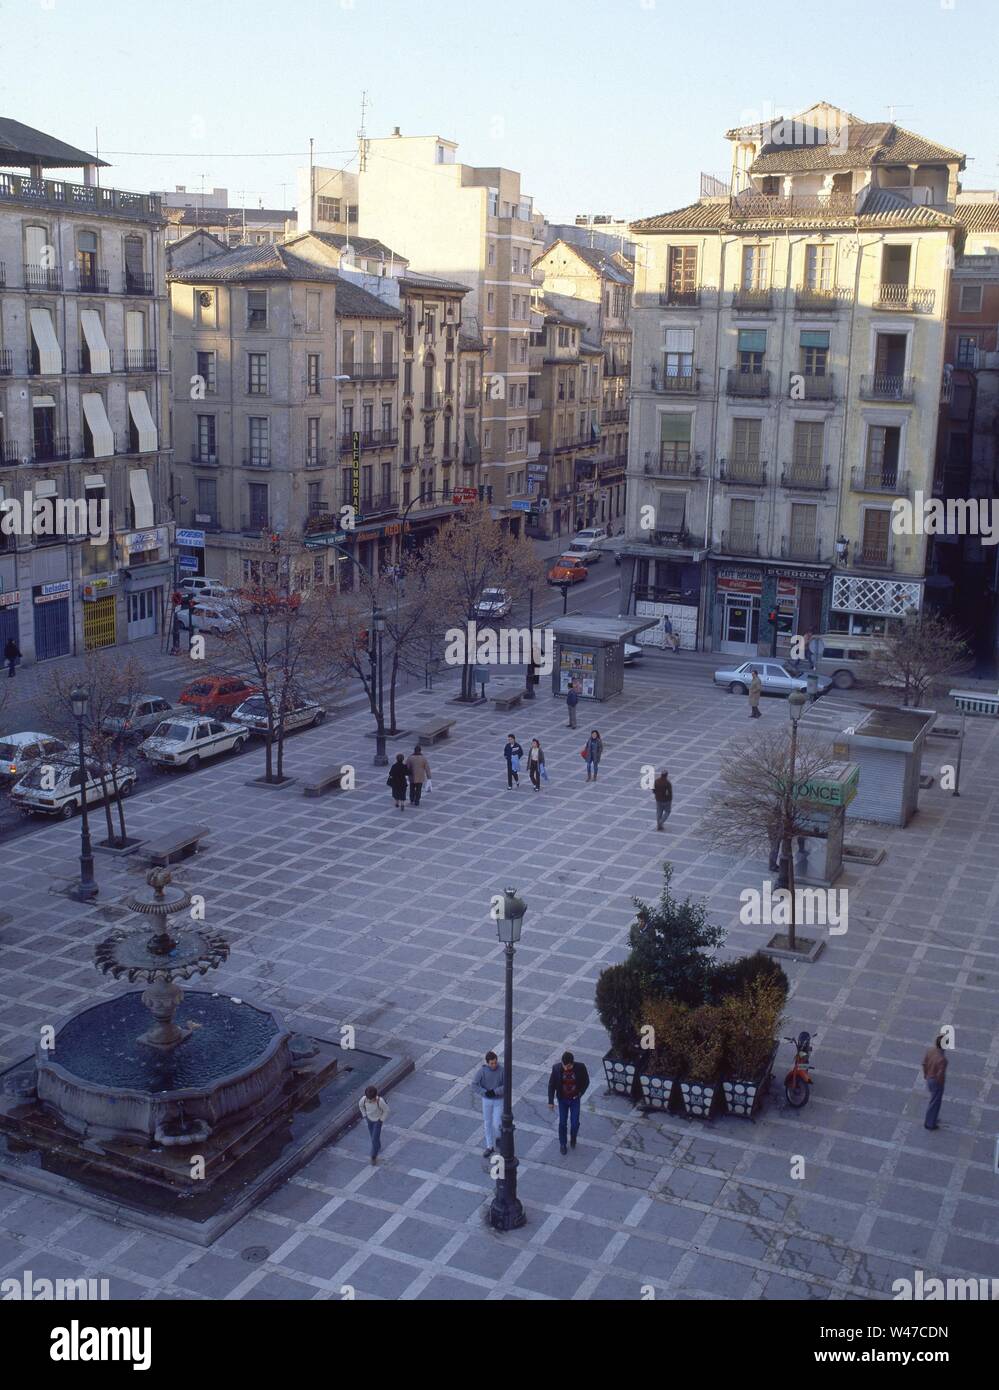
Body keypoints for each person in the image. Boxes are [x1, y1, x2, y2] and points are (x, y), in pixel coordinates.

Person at [548, 1051, 590, 1154]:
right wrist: (550, 1101)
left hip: (575, 1099)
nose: (566, 1068)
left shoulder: (580, 1067)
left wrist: (580, 1093)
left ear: (572, 1063)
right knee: (562, 1122)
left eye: (569, 1066)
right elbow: (551, 1085)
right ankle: (563, 1143)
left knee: (575, 1122)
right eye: (564, 1065)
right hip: (562, 1099)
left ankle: (573, 1137)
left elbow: (586, 1081)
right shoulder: (556, 1068)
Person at [472, 1051, 504, 1157]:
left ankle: (499, 1139)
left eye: (495, 1062)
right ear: (487, 1063)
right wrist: (484, 1092)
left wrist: (495, 1091)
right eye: (492, 1063)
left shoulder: (502, 1070)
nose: (494, 1065)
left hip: (498, 1100)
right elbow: (474, 1084)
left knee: (497, 1123)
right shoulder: (482, 1071)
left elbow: (506, 1085)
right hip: (486, 1100)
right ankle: (489, 1146)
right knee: (487, 1123)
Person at [922, 1034, 948, 1131]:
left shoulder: (930, 1051)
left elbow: (924, 1063)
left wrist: (925, 1074)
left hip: (929, 1077)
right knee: (935, 1102)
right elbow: (940, 1074)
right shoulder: (942, 1060)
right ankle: (930, 1123)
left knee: (934, 1101)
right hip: (936, 1082)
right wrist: (940, 1084)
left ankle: (932, 1119)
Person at [358, 1085, 389, 1164]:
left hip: (377, 1121)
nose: (371, 1101)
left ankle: (373, 1156)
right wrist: (364, 1115)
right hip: (369, 1120)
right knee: (373, 1136)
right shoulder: (363, 1100)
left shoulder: (380, 1101)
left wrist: (381, 1120)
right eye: (369, 1099)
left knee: (374, 1139)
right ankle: (378, 1146)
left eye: (372, 1099)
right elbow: (361, 1106)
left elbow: (386, 1110)